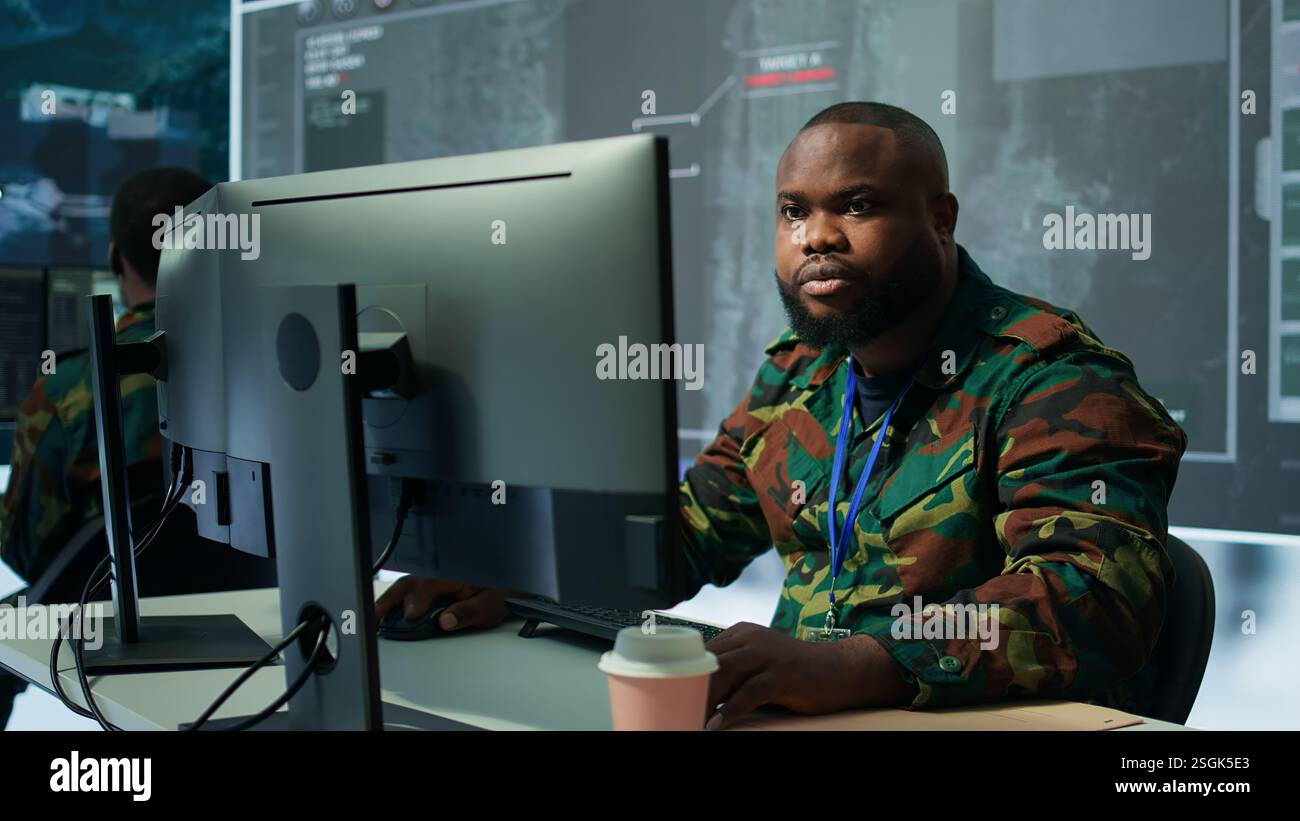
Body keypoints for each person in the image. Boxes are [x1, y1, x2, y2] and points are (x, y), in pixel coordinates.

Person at [375, 102, 1187, 730]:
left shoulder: (1055, 379)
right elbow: (687, 533)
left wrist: (860, 663)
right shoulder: (801, 373)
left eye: (857, 206)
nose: (816, 238)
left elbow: (1091, 601)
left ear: (940, 219)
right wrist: (516, 569)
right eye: (792, 212)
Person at [0, 168, 211, 727]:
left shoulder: (71, 390)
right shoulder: (291, 362)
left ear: (117, 258)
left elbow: (25, 549)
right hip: (266, 612)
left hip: (107, 617)